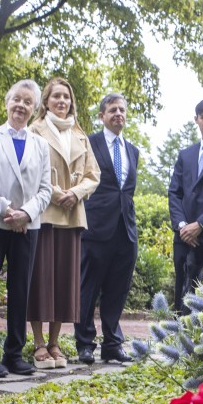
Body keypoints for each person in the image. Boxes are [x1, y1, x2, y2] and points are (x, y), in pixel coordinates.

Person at [0, 80, 52, 377]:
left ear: (34, 108)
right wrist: (8, 211)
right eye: (16, 100)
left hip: (27, 227)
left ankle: (15, 353)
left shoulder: (40, 144)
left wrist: (26, 214)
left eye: (28, 102)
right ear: (6, 102)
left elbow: (46, 189)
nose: (21, 105)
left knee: (21, 290)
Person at [27, 78, 100, 368]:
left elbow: (93, 175)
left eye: (66, 97)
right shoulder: (35, 130)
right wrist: (57, 194)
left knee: (64, 282)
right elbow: (31, 169)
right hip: (46, 213)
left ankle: (55, 342)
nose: (62, 101)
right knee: (40, 280)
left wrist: (76, 193)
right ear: (46, 101)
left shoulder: (80, 135)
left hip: (73, 216)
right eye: (56, 96)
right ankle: (37, 343)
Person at [74, 93, 138, 364]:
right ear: (102, 115)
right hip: (96, 227)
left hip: (126, 229)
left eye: (122, 110)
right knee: (88, 287)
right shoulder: (89, 143)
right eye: (112, 110)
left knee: (117, 289)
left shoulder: (133, 150)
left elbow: (127, 190)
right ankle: (85, 343)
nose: (118, 114)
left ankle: (112, 343)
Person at [167, 98, 203, 313]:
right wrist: (183, 226)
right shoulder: (186, 154)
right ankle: (178, 342)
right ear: (196, 120)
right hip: (184, 238)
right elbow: (175, 193)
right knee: (183, 295)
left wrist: (200, 224)